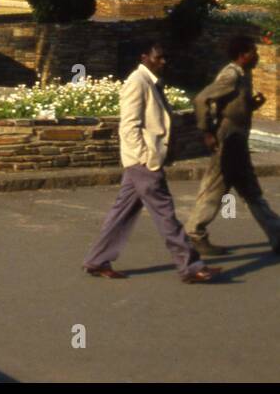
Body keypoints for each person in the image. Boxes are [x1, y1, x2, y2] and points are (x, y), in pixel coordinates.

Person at [81, 40, 220, 283]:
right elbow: (129, 125)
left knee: (121, 212)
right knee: (165, 213)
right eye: (159, 57)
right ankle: (189, 265)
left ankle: (97, 259)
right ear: (145, 57)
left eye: (165, 57)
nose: (163, 62)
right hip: (144, 163)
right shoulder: (137, 82)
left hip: (143, 161)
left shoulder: (152, 83)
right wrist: (144, 158)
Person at [187, 35, 280, 256]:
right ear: (243, 55)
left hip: (237, 138)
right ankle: (194, 233)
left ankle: (277, 234)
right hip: (228, 139)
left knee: (251, 192)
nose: (256, 56)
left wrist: (251, 105)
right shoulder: (230, 75)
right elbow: (202, 99)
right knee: (215, 188)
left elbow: (232, 105)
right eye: (253, 52)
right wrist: (207, 131)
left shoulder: (241, 76)